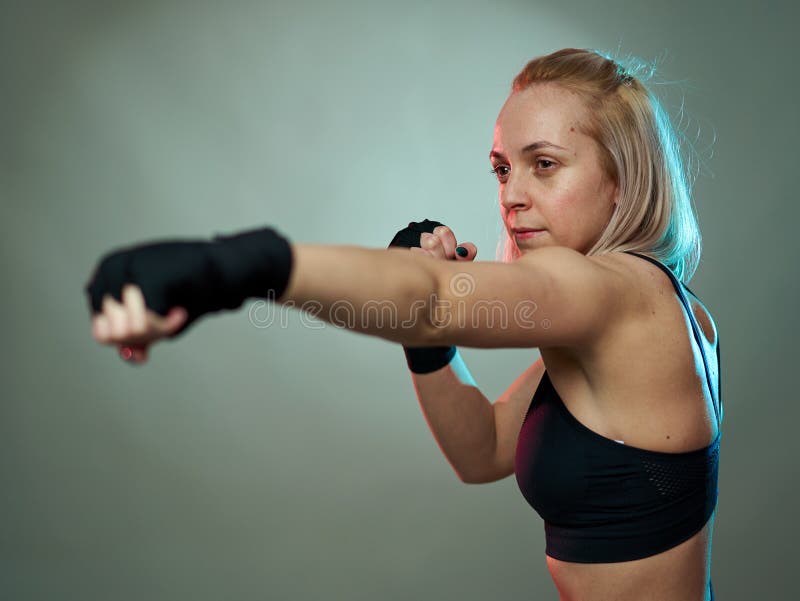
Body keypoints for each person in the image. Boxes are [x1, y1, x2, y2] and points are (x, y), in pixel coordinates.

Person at [84, 48, 721, 601]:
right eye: (503, 168)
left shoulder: (618, 293)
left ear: (621, 180)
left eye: (545, 164)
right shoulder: (630, 319)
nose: (511, 195)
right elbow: (481, 450)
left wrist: (230, 268)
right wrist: (425, 337)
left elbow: (434, 301)